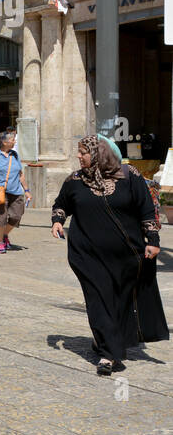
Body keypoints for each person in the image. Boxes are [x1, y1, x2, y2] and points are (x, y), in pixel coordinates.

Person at [51, 135, 168, 376]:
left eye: (83, 152)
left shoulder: (129, 176)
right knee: (98, 301)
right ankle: (108, 355)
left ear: (98, 153)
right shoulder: (75, 180)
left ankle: (104, 339)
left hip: (127, 255)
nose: (78, 156)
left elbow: (147, 209)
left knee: (119, 301)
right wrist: (58, 221)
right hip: (87, 255)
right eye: (79, 152)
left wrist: (153, 241)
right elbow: (61, 204)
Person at [0, 129, 30, 254]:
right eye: (12, 140)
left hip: (16, 191)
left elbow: (21, 174)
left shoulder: (14, 155)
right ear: (4, 142)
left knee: (16, 216)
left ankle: (4, 235)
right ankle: (0, 243)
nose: (14, 141)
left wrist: (26, 190)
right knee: (1, 218)